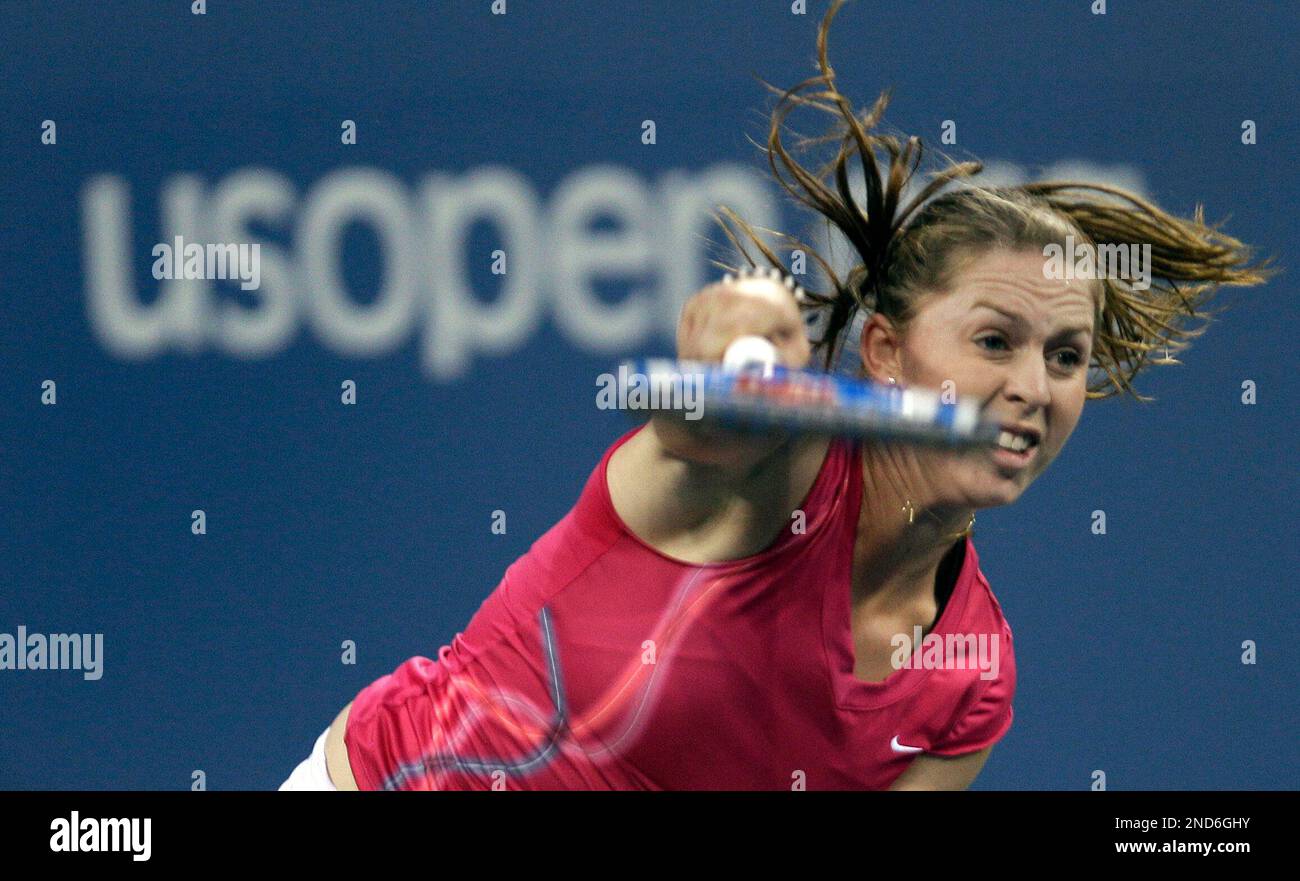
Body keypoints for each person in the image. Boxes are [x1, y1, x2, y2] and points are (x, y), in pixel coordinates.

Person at [280, 0, 1273, 791]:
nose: (1030, 386)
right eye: (992, 340)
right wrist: (743, 337)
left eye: (1063, 357)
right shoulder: (765, 468)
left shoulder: (970, 679)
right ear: (883, 349)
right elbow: (698, 422)